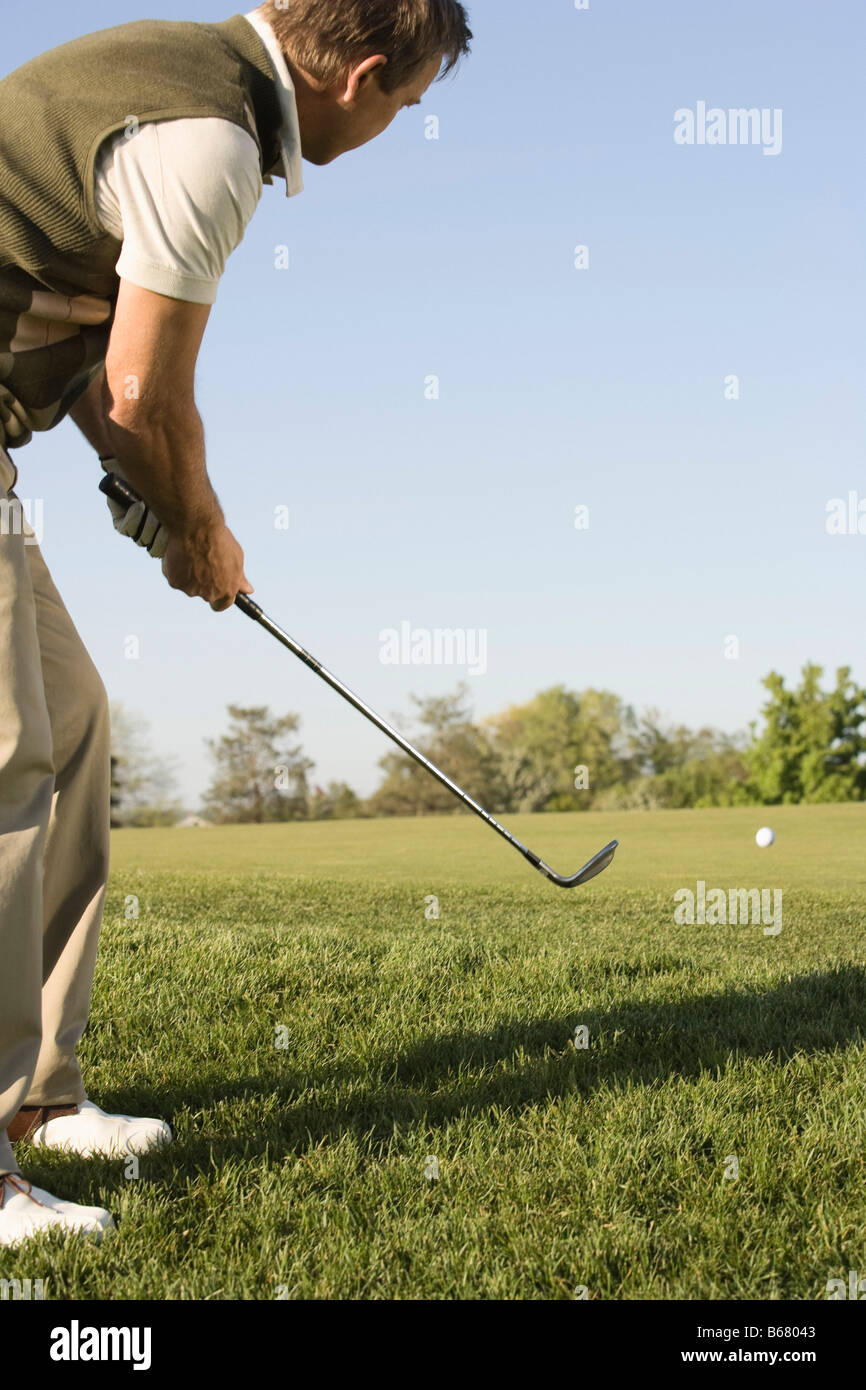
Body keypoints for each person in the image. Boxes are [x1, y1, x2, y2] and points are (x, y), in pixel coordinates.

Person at [0, 0, 471, 1248]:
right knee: (4, 762)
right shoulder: (204, 135)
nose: (394, 125)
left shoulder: (183, 80)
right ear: (363, 78)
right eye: (405, 109)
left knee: (74, 729)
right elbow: (152, 391)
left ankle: (40, 1100)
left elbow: (110, 387)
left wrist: (170, 520)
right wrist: (199, 527)